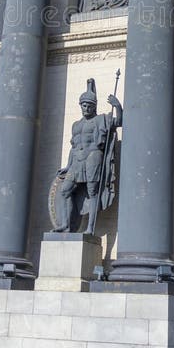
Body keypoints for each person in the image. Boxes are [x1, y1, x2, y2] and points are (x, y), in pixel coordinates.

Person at [54, 79, 122, 234]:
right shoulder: (76, 125)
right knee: (65, 191)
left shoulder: (101, 119)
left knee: (92, 192)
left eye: (89, 105)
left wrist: (117, 105)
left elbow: (118, 121)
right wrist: (67, 165)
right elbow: (73, 148)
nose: (86, 108)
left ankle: (90, 228)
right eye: (83, 105)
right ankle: (66, 225)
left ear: (94, 106)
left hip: (93, 157)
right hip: (76, 160)